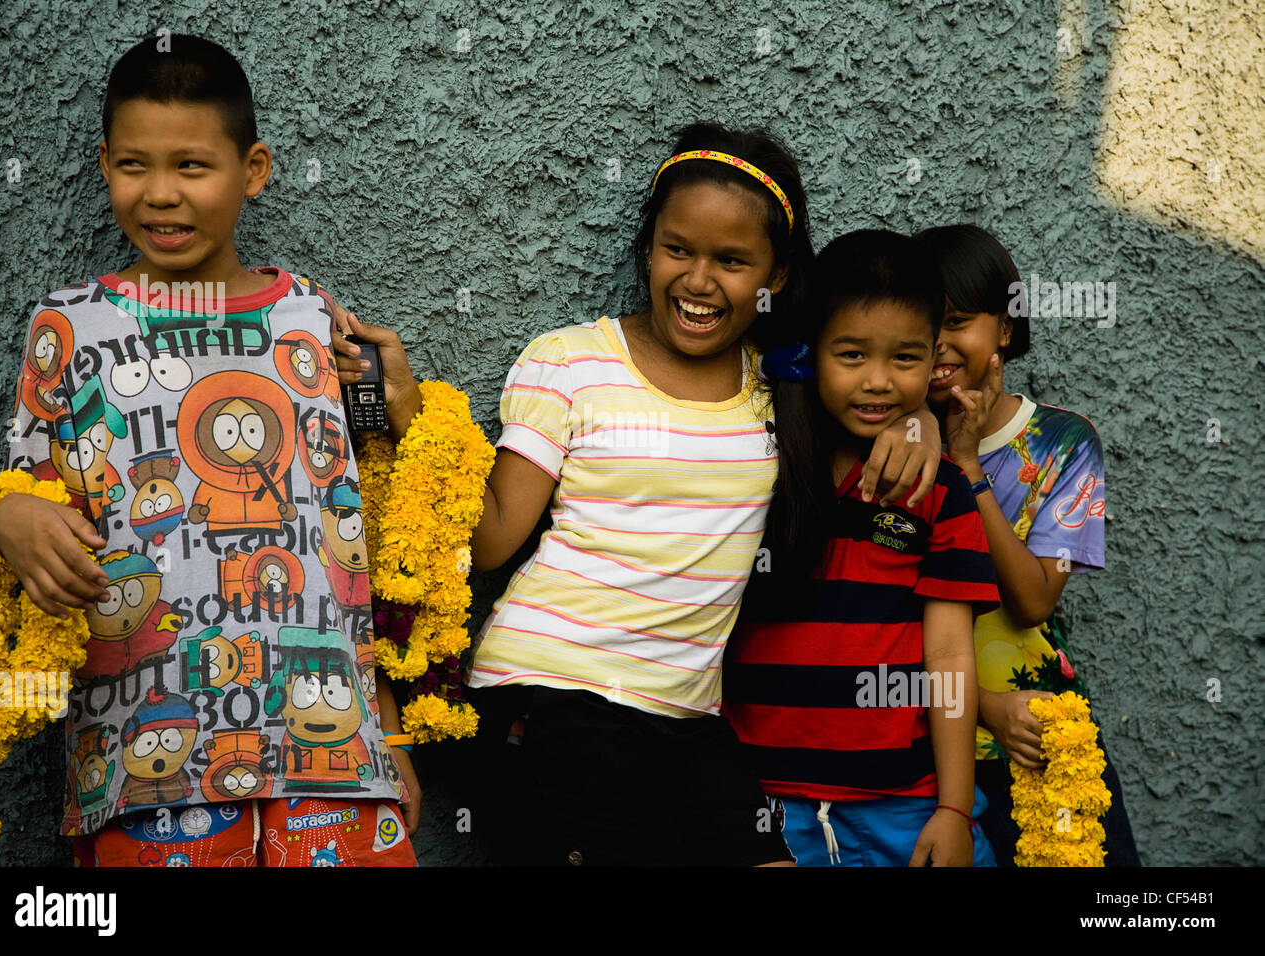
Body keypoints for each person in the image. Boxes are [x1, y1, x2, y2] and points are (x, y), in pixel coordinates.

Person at [335, 124, 944, 865]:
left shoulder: (779, 389)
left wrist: (920, 423)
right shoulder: (572, 363)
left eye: (731, 260)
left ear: (775, 275)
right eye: (677, 249)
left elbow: (874, 381)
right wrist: (402, 407)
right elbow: (493, 537)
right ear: (649, 247)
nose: (697, 279)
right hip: (553, 693)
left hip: (687, 716)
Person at [0, 34, 420, 867]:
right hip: (142, 764)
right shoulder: (70, 330)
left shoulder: (311, 320)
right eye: (133, 167)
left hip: (332, 762)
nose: (159, 196)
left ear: (253, 169)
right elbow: (29, 513)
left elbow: (357, 538)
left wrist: (393, 732)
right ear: (105, 165)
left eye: (191, 166)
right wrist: (8, 516)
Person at [723, 229, 1001, 866]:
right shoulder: (758, 465)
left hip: (904, 805)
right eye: (851, 355)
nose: (878, 383)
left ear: (934, 360)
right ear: (812, 353)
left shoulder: (941, 494)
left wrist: (955, 808)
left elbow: (951, 654)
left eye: (905, 359)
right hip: (761, 808)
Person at [915, 223, 1140, 866]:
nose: (938, 345)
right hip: (934, 745)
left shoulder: (1062, 442)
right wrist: (985, 707)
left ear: (1005, 328)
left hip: (1042, 740)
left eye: (957, 321)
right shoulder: (891, 440)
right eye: (925, 323)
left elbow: (1033, 600)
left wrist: (968, 468)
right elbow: (885, 619)